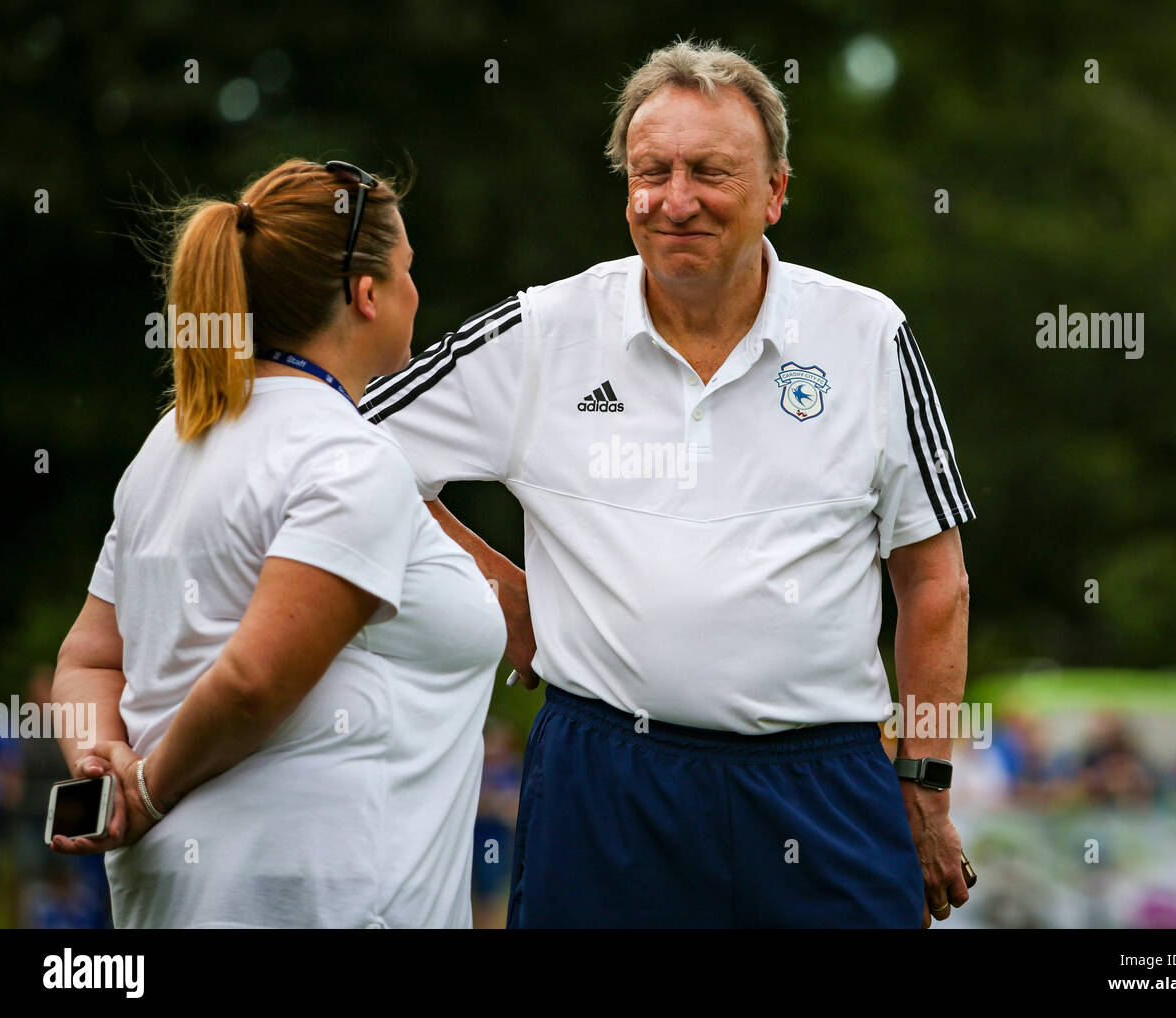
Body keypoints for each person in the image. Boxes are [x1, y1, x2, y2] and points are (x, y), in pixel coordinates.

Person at [360, 40, 974, 927]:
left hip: (822, 789)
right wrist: (499, 596)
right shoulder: (546, 329)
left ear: (776, 193)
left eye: (711, 173)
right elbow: (349, 445)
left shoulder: (867, 333)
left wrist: (925, 786)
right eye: (652, 171)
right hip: (605, 783)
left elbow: (935, 585)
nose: (676, 200)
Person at [50, 158, 506, 928]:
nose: (414, 292)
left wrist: (102, 763)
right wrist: (149, 787)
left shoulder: (171, 442)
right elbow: (257, 678)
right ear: (368, 296)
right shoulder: (349, 457)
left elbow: (88, 660)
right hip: (322, 902)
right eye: (406, 271)